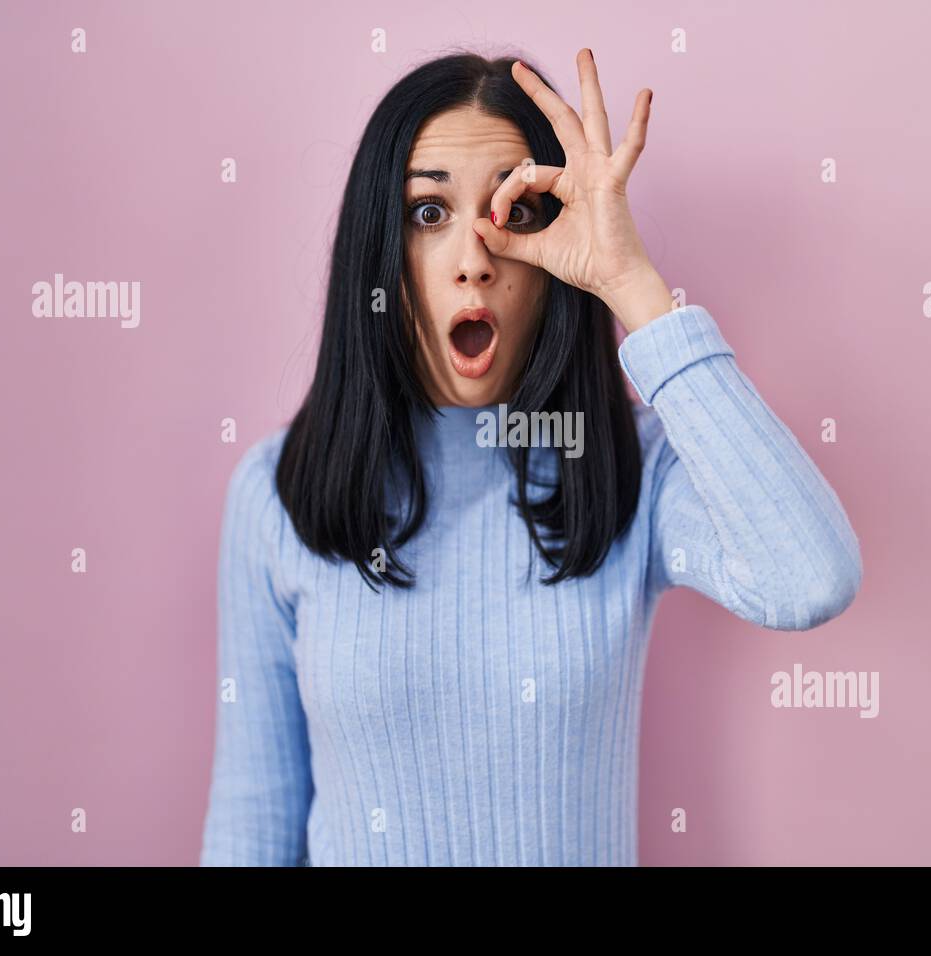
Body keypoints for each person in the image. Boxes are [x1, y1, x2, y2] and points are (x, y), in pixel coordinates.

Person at [200, 49, 862, 866]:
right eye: (428, 213)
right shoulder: (275, 494)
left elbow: (811, 577)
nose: (474, 257)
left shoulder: (630, 469)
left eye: (514, 213)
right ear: (378, 251)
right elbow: (252, 831)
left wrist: (631, 284)